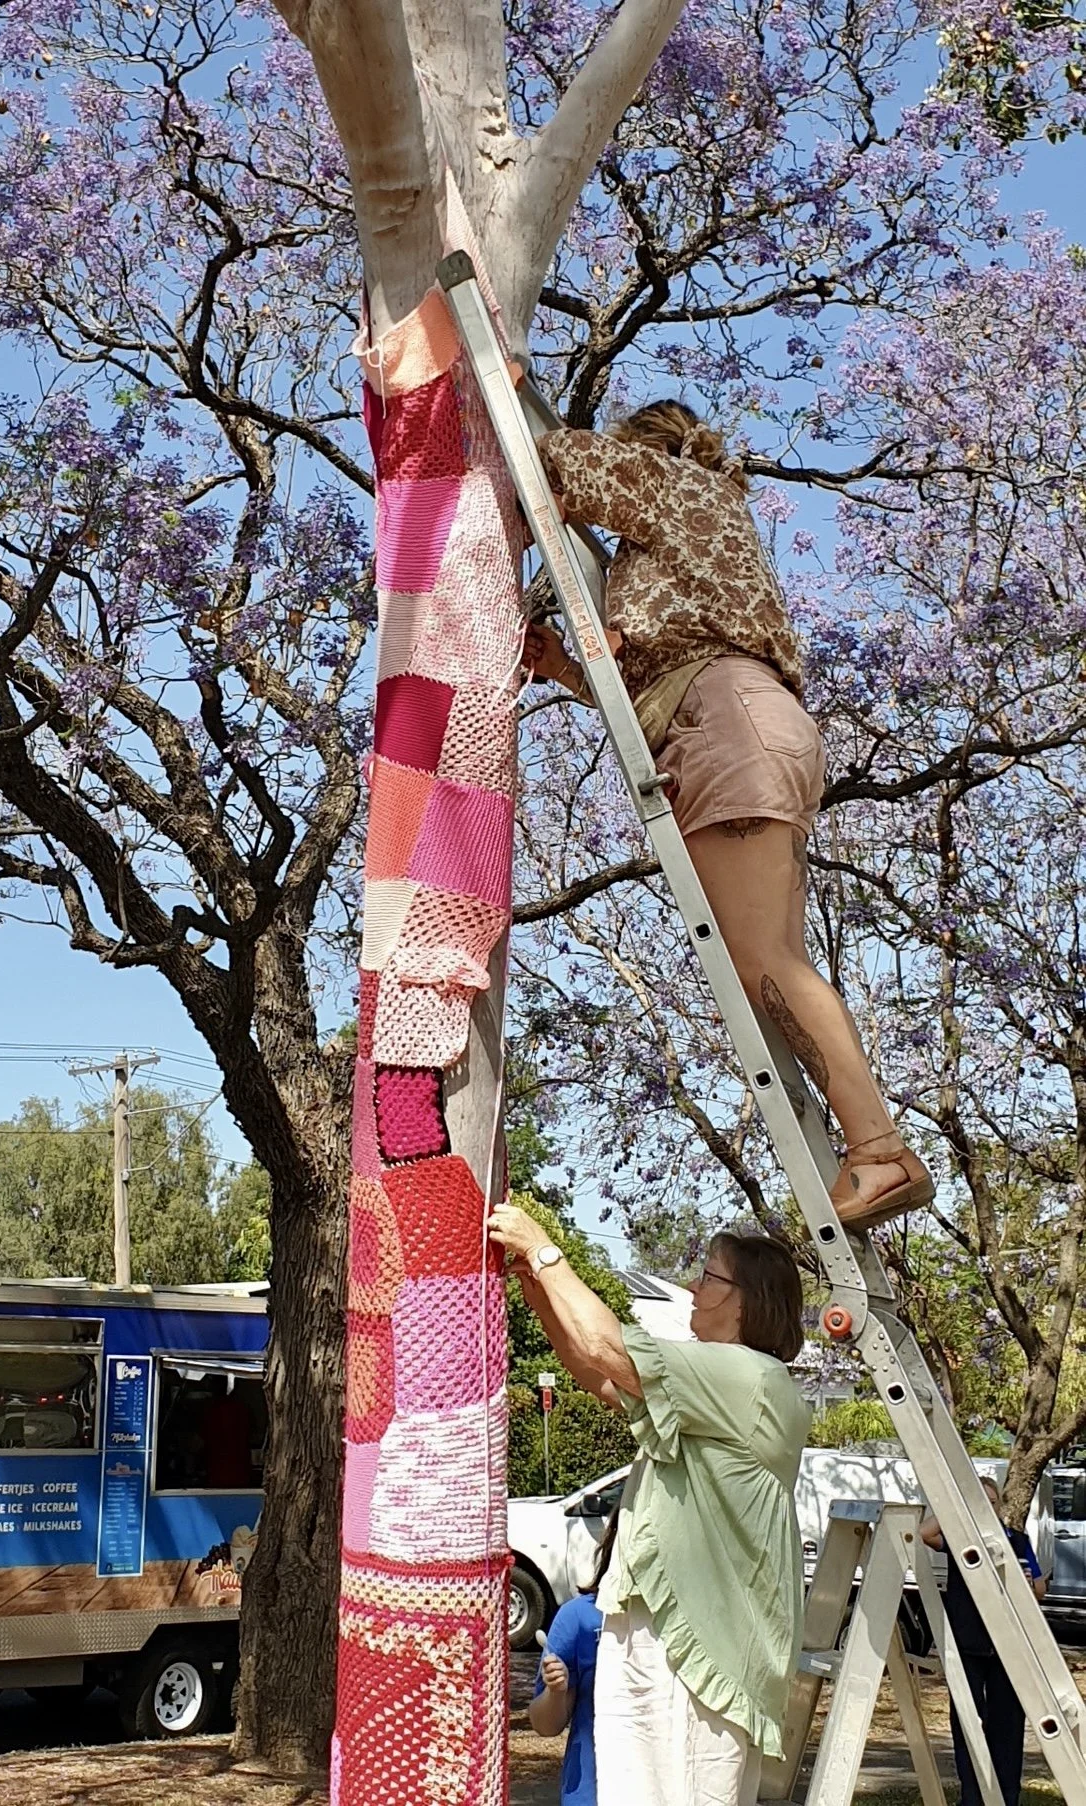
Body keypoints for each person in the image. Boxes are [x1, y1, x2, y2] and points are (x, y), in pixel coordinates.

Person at [523, 401, 933, 1234]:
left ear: (648, 451)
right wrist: (567, 667)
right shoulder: (683, 544)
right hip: (737, 723)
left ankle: (880, 1151)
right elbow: (658, 683)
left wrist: (509, 396)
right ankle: (874, 1147)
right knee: (769, 962)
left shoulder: (683, 488)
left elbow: (564, 461)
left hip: (730, 727)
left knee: (766, 962)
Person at [489, 1203, 812, 1806]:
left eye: (708, 1276)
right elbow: (601, 1377)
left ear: (744, 1303)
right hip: (674, 1630)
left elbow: (608, 1349)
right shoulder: (719, 1386)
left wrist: (543, 1251)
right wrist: (543, 1298)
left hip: (700, 1647)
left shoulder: (749, 1377)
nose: (692, 1287)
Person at [920, 1476, 1046, 1806]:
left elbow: (1039, 1589)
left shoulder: (1016, 1540)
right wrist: (954, 1505)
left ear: (999, 1506)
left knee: (1008, 1726)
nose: (986, 1508)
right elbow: (925, 1534)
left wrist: (1030, 1584)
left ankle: (1007, 1796)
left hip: (1009, 1648)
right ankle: (973, 1797)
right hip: (968, 1644)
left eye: (990, 1502)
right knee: (969, 1722)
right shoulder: (959, 1537)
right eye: (978, 1502)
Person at [528, 1511, 618, 1806]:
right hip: (589, 1795)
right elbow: (545, 1725)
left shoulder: (680, 1624)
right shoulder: (578, 1616)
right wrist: (556, 1691)